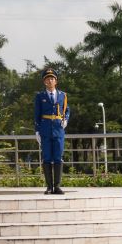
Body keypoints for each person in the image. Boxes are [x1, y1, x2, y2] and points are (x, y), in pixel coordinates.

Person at [34, 68, 69, 196]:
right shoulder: (40, 96)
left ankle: (57, 186)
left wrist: (66, 120)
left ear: (56, 81)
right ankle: (49, 186)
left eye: (52, 78)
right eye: (47, 79)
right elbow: (37, 114)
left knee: (58, 157)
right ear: (44, 82)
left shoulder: (62, 95)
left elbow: (67, 110)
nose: (50, 80)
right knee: (47, 157)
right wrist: (37, 131)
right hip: (45, 129)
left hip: (59, 129)